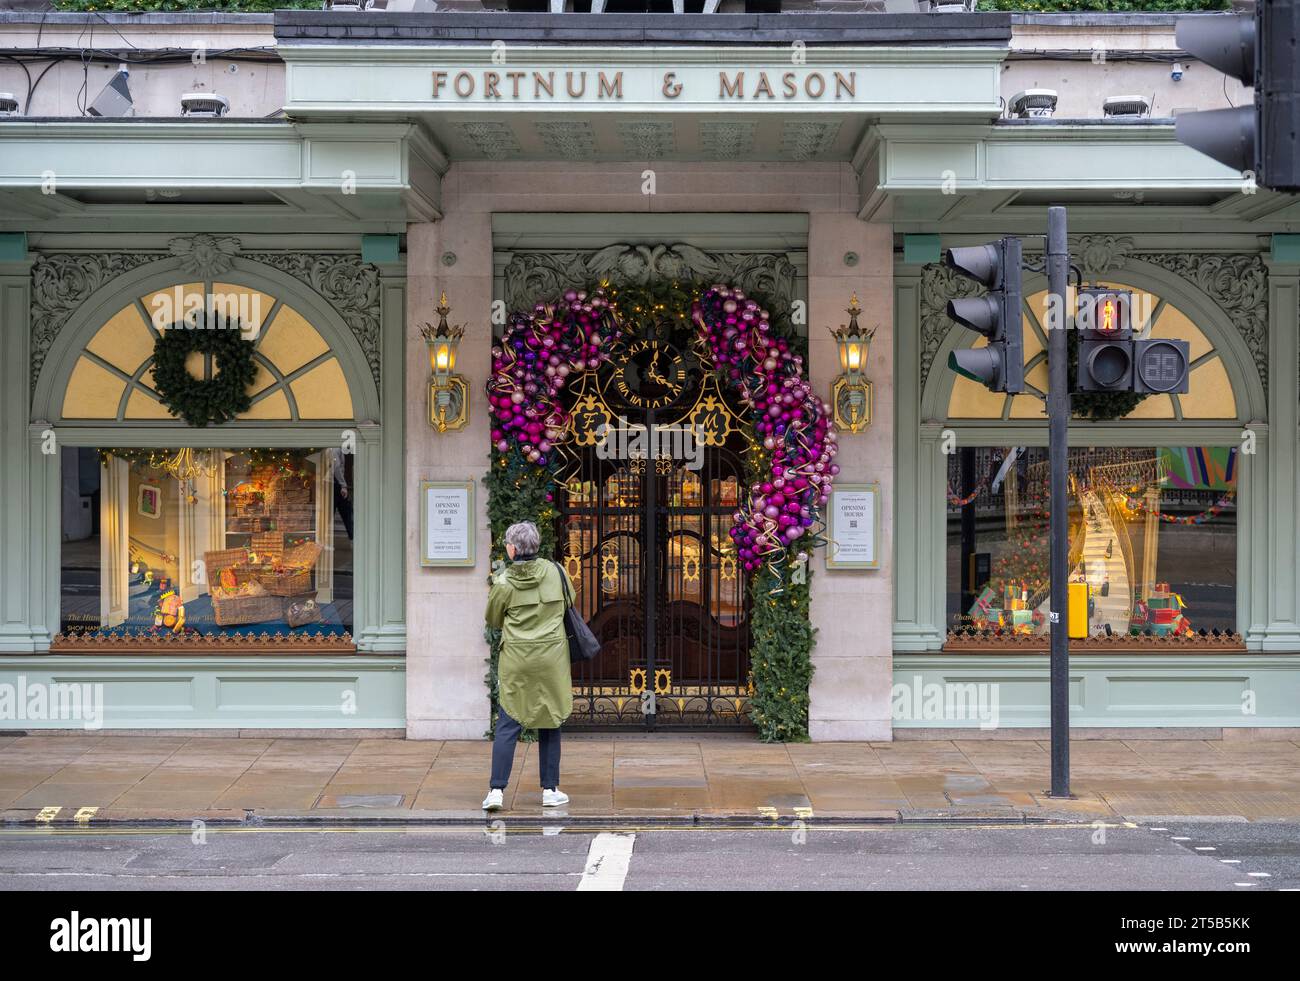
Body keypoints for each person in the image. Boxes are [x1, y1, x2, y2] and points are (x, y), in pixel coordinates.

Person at [482, 521, 574, 811]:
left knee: (508, 722)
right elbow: (570, 601)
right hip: (551, 658)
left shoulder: (504, 582)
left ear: (512, 549)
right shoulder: (556, 572)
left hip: (517, 660)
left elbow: (493, 619)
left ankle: (496, 791)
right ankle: (550, 790)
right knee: (550, 719)